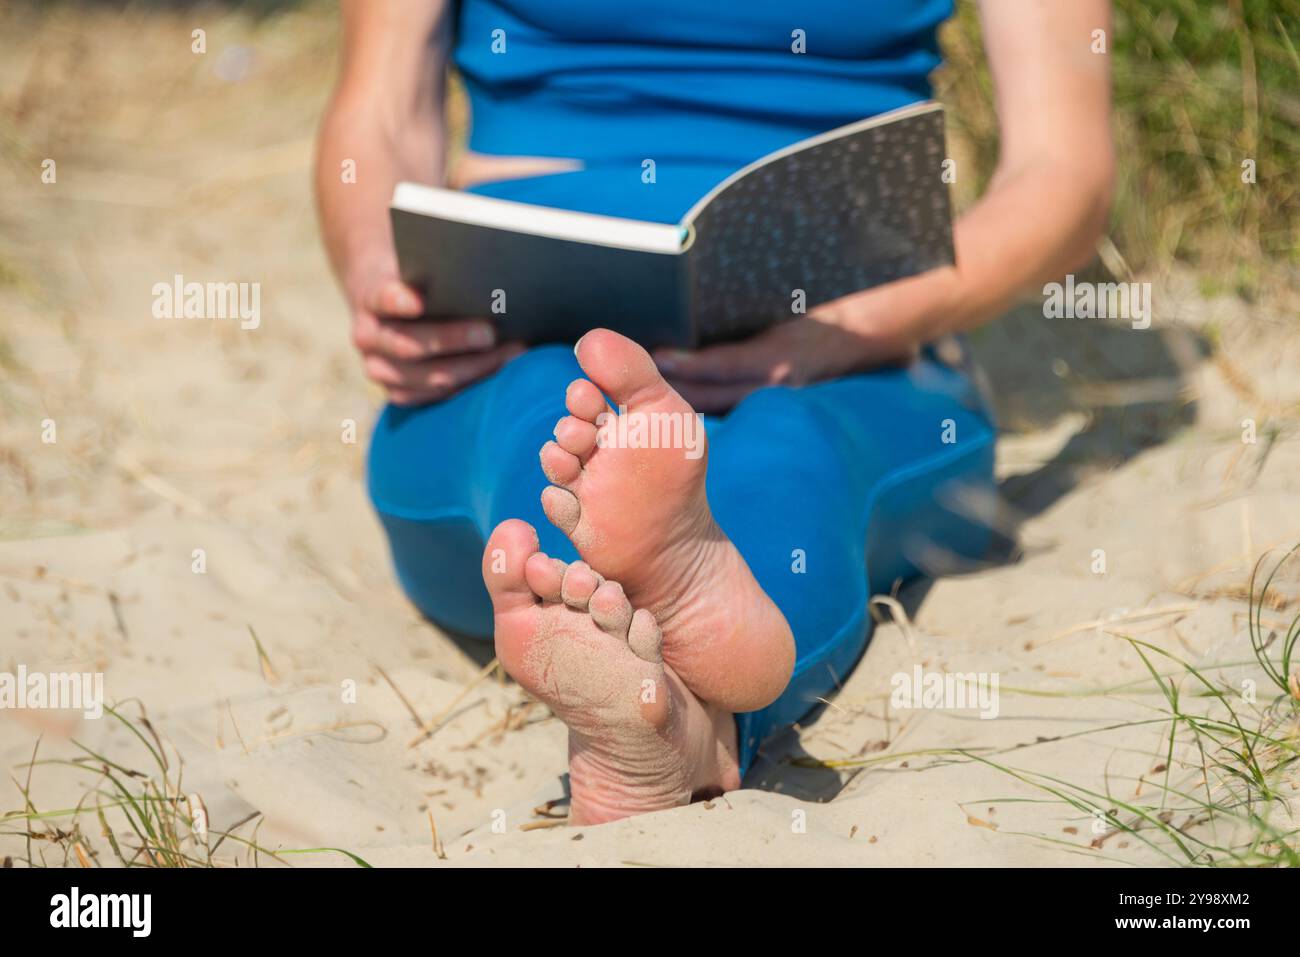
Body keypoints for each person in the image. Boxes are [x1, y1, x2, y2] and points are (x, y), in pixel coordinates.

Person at [315, 0, 1114, 825]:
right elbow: (378, 114)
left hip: (861, 324)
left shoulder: (856, 334)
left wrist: (852, 329)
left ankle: (660, 688)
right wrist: (379, 269)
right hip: (513, 329)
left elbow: (1065, 171)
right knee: (584, 412)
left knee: (742, 436)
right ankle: (700, 715)